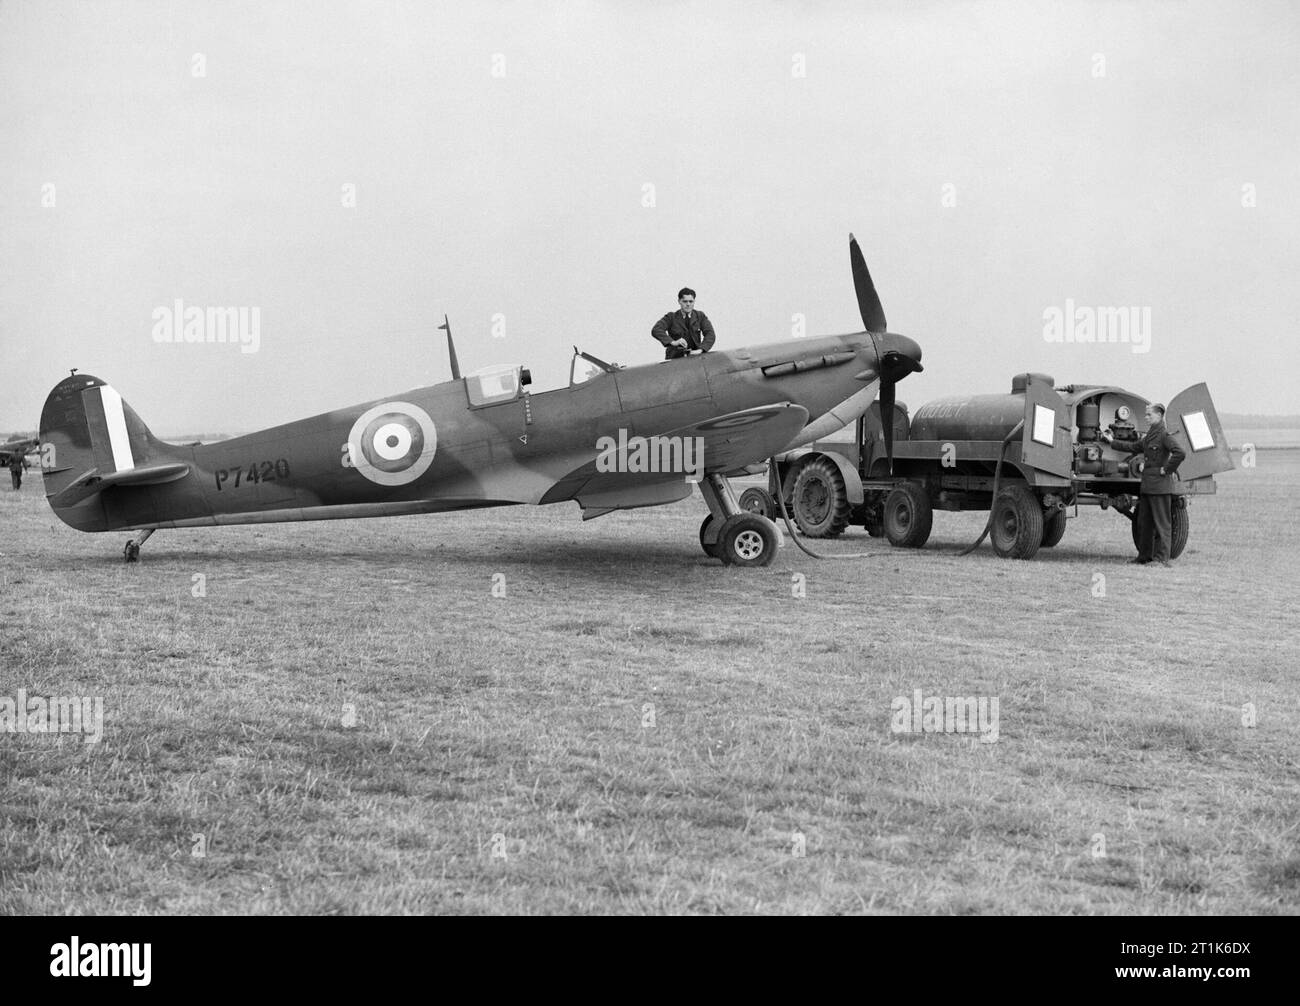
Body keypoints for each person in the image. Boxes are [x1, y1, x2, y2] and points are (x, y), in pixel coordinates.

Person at [1102, 402, 1185, 566]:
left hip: (1160, 486)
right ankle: (1144, 556)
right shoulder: (1150, 436)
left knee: (1162, 524)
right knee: (1144, 523)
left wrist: (1167, 469)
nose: (1146, 418)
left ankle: (1161, 559)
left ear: (1159, 416)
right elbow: (1133, 446)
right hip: (1147, 485)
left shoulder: (1164, 435)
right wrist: (1112, 441)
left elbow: (1180, 453)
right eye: (1146, 415)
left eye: (1149, 415)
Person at [652, 288, 716, 359]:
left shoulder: (700, 316)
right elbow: (656, 329)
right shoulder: (671, 317)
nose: (688, 304)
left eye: (691, 301)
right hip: (675, 360)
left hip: (695, 358)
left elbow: (710, 334)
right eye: (685, 301)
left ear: (694, 301)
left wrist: (701, 350)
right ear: (679, 301)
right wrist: (673, 342)